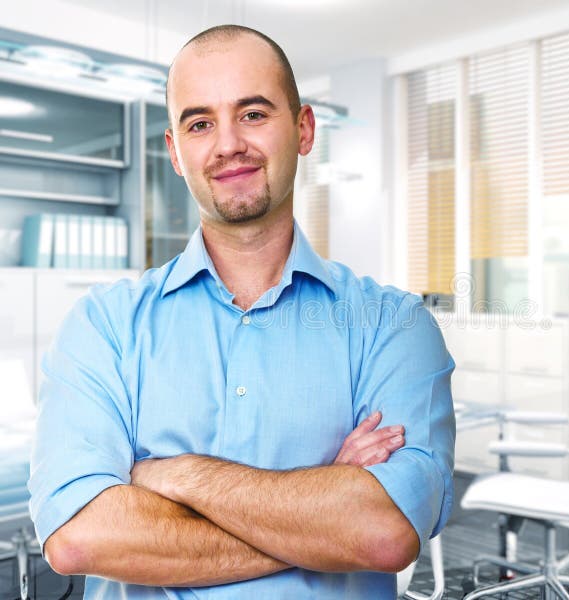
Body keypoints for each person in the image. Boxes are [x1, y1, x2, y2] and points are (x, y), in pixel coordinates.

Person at [27, 25, 456, 599]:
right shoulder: (104, 326)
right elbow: (79, 537)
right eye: (200, 123)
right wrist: (323, 505)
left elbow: (383, 534)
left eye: (253, 114)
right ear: (176, 152)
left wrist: (170, 476)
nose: (228, 144)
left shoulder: (393, 326)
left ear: (303, 129)